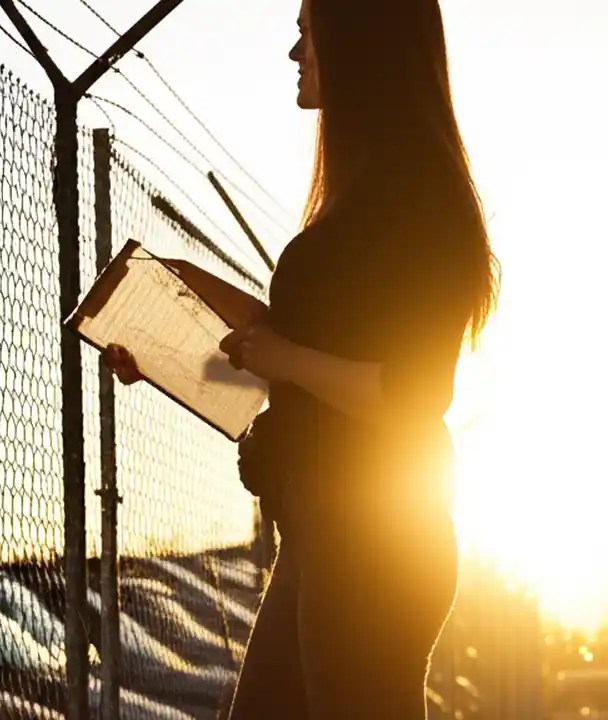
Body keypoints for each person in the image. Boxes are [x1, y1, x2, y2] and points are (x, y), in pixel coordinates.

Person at [104, 0, 498, 716]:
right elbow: (288, 340)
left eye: (306, 35)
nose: (295, 54)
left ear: (358, 43)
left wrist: (283, 357)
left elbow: (414, 390)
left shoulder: (418, 196)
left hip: (374, 544)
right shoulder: (362, 198)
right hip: (326, 535)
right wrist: (173, 310)